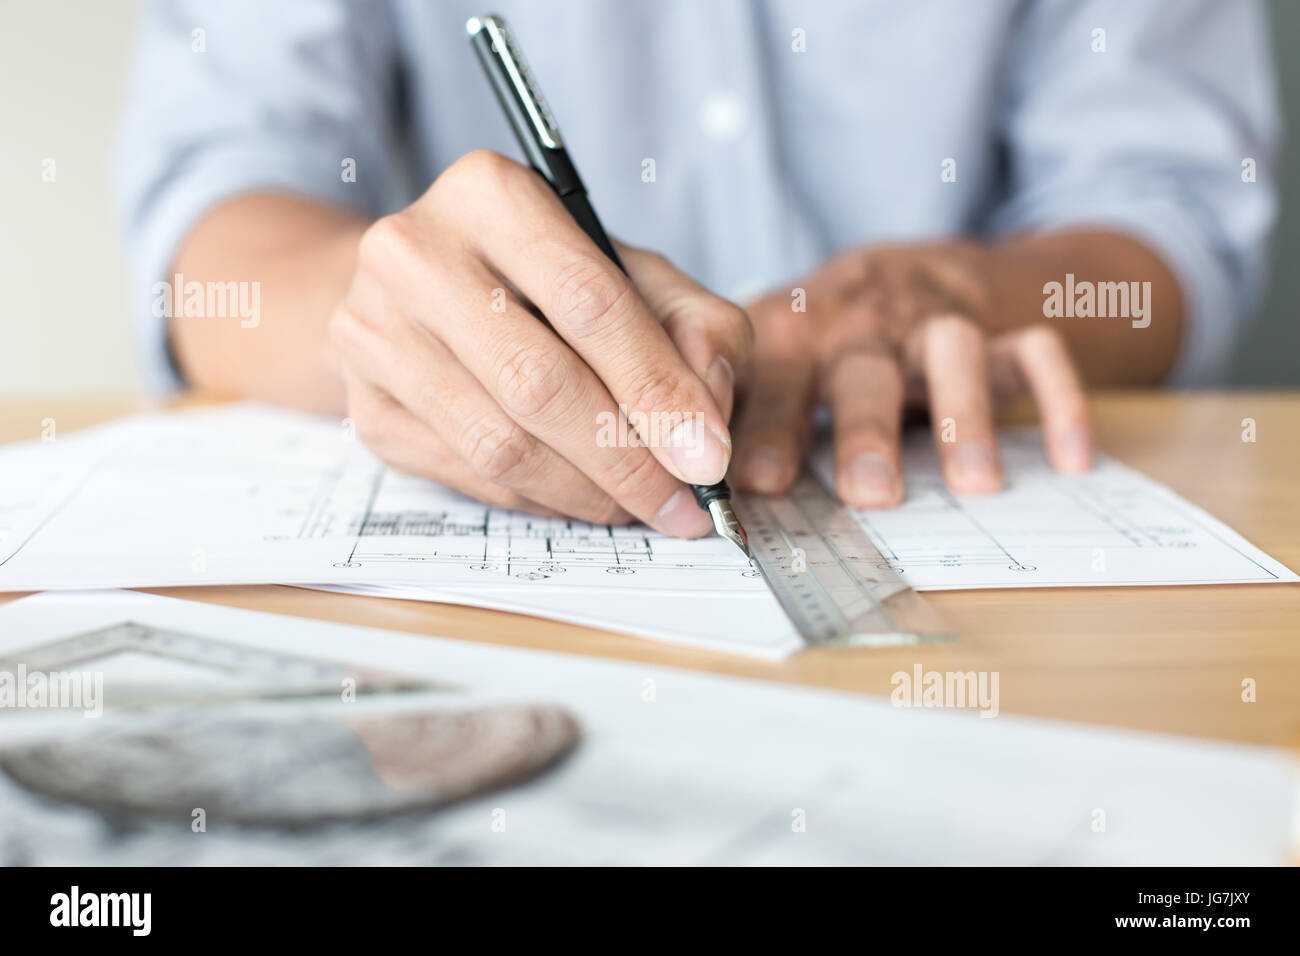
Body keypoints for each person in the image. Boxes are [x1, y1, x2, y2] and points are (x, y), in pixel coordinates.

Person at [116, 0, 1279, 539]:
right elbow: (213, 211)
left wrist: (962, 293)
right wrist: (378, 318)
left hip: (959, 480)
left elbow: (1166, 209)